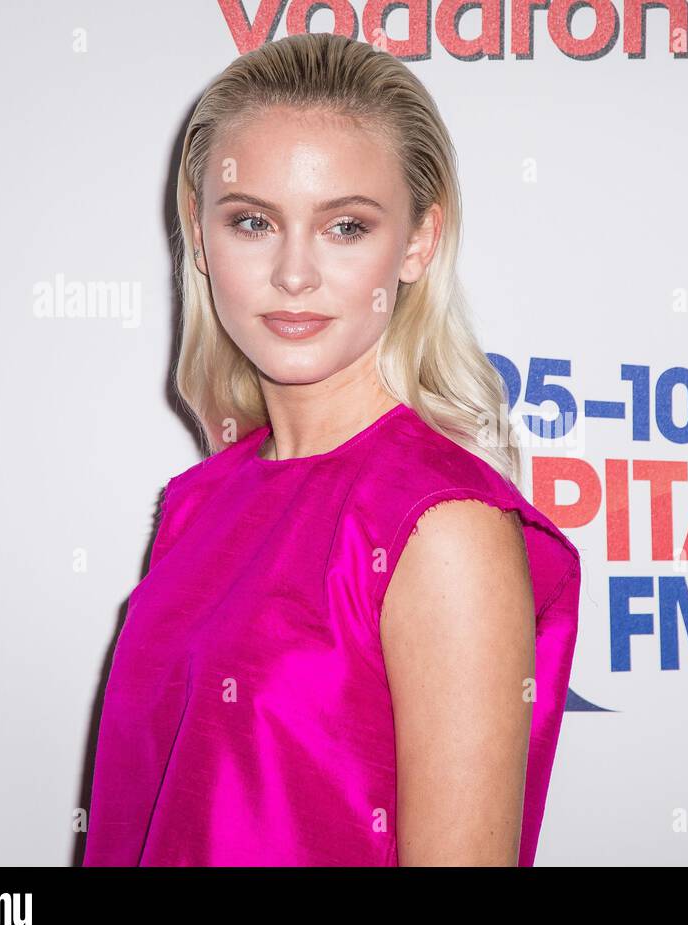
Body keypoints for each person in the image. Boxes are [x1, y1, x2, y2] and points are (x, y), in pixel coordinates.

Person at [81, 33, 581, 867]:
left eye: (346, 226)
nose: (293, 274)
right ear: (200, 240)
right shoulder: (197, 503)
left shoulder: (442, 526)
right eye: (252, 222)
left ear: (418, 243)